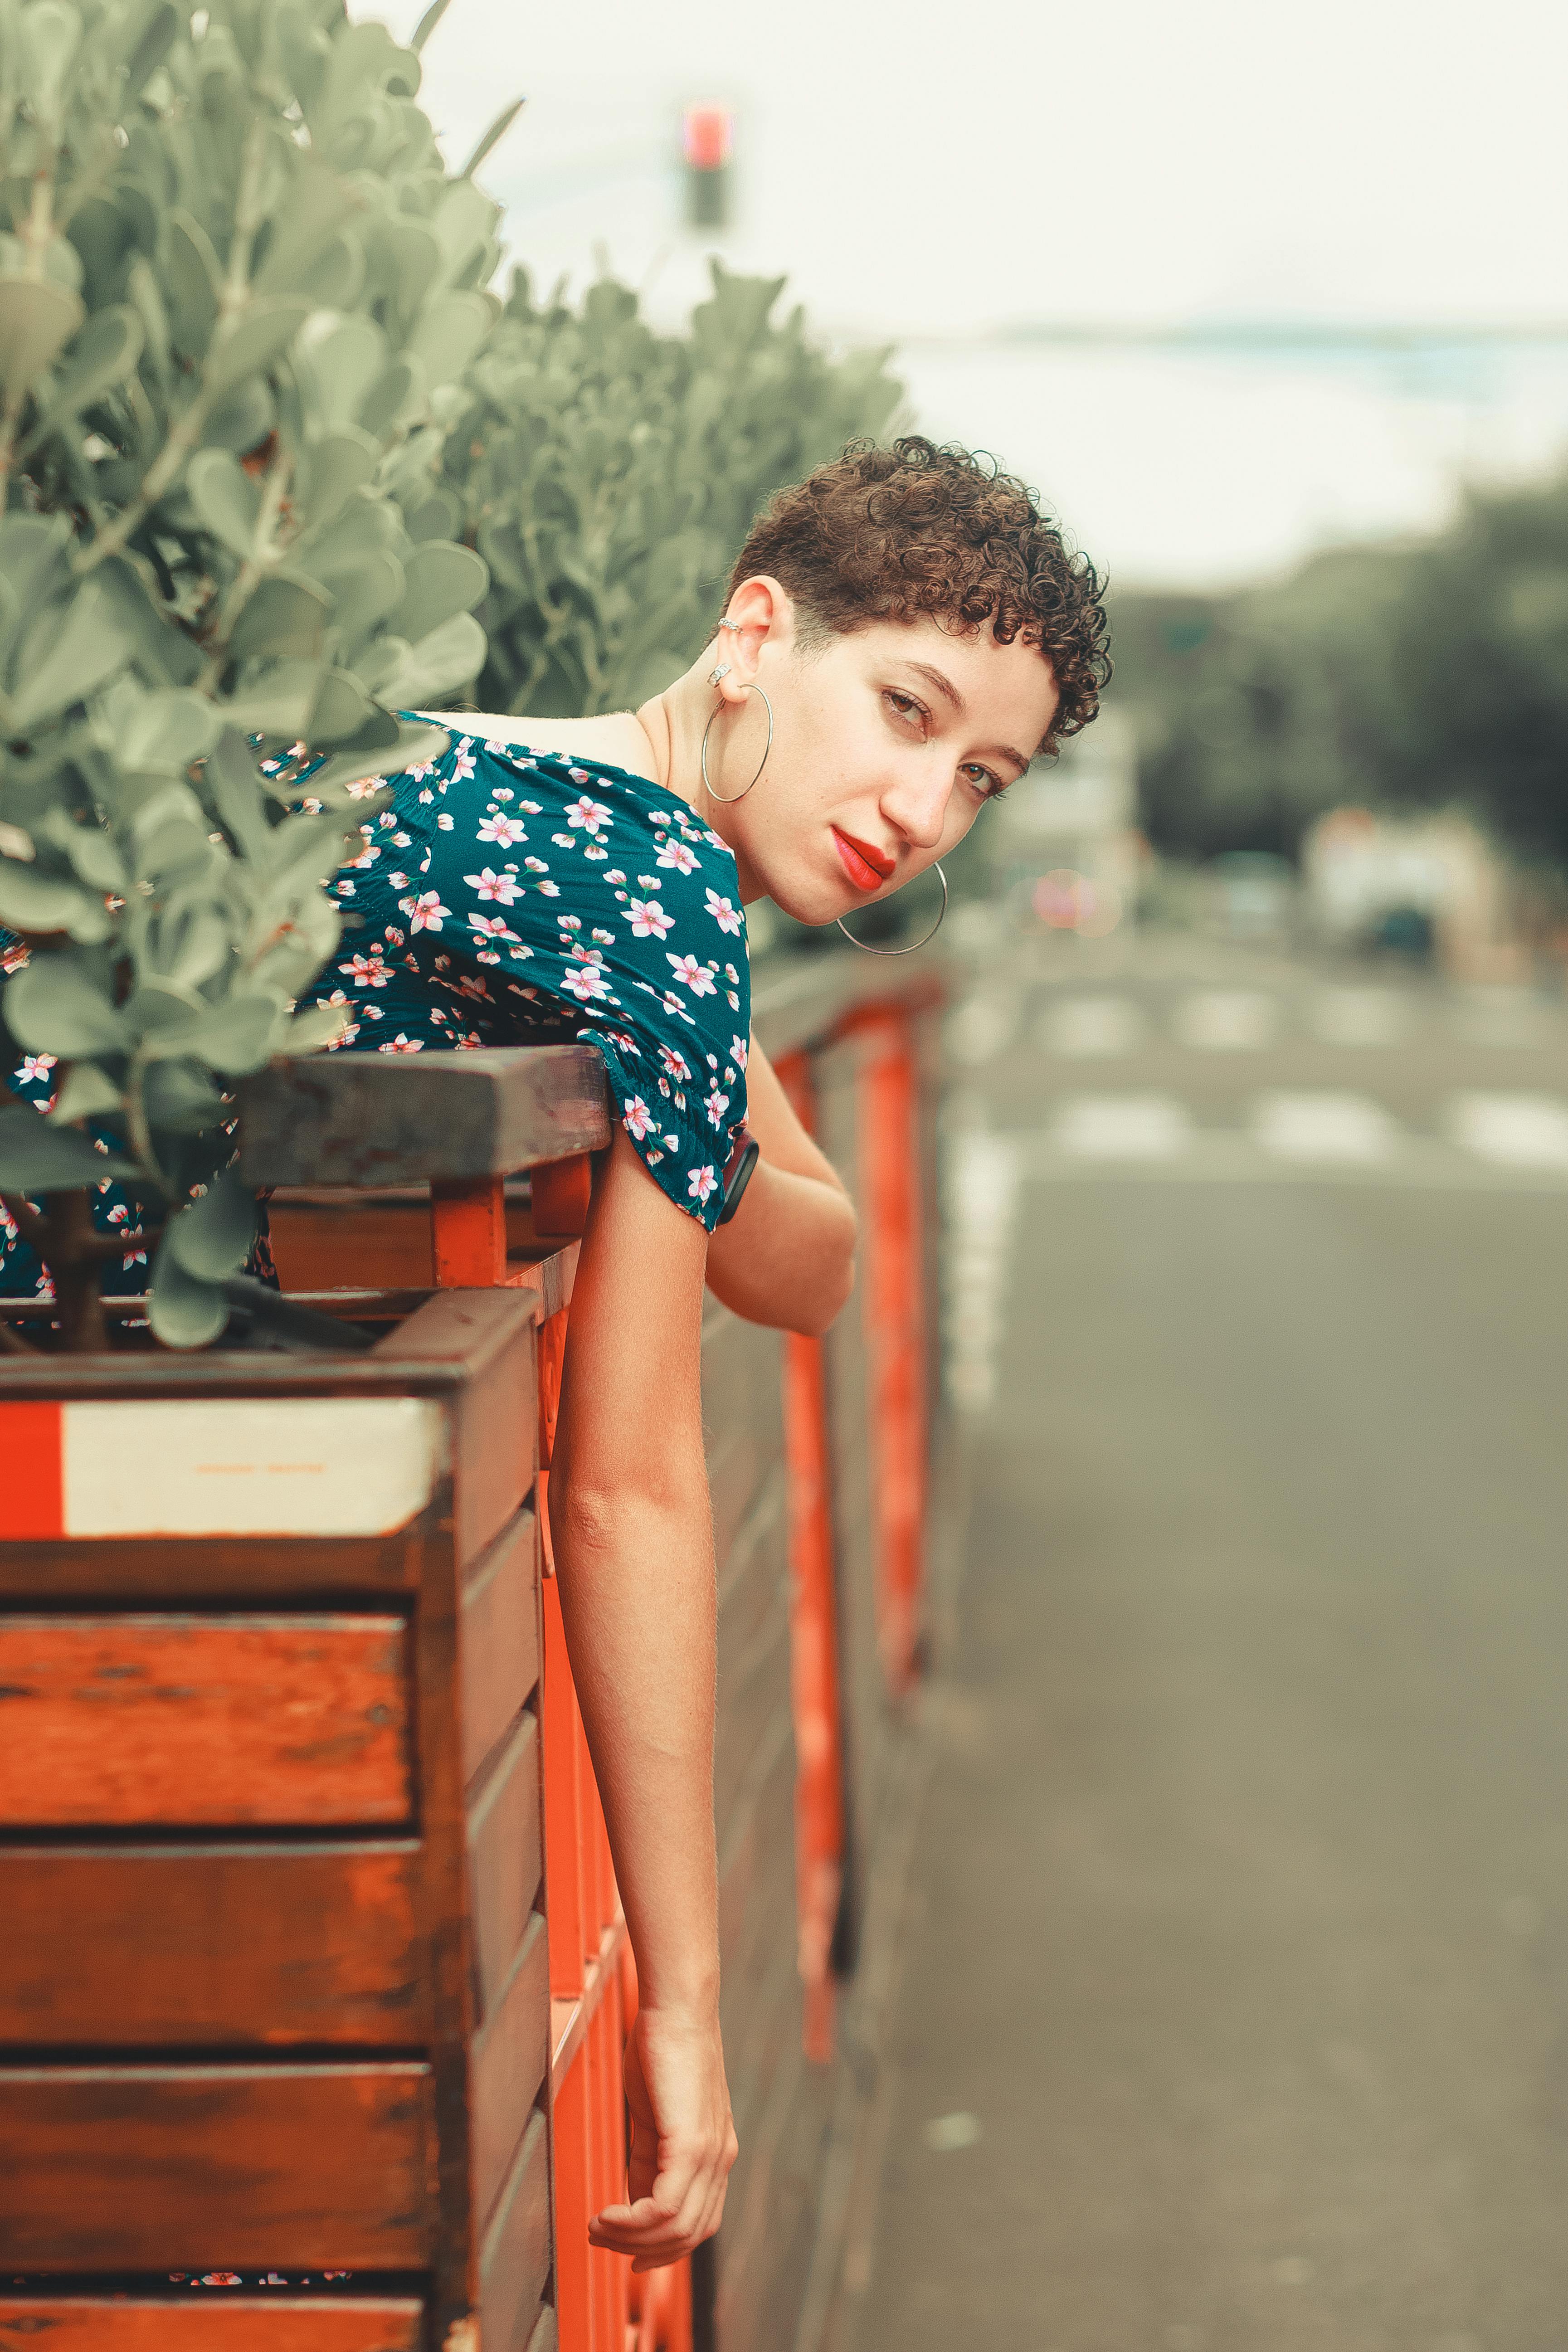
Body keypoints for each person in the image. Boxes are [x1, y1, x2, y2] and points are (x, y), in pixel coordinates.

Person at [0, 435, 1109, 2269]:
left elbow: (810, 1266)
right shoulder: (649, 889)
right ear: (757, 633)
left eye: (975, 778)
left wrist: (679, 1075)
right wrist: (686, 1999)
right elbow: (629, 1483)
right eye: (904, 710)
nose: (920, 807)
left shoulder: (484, 769)